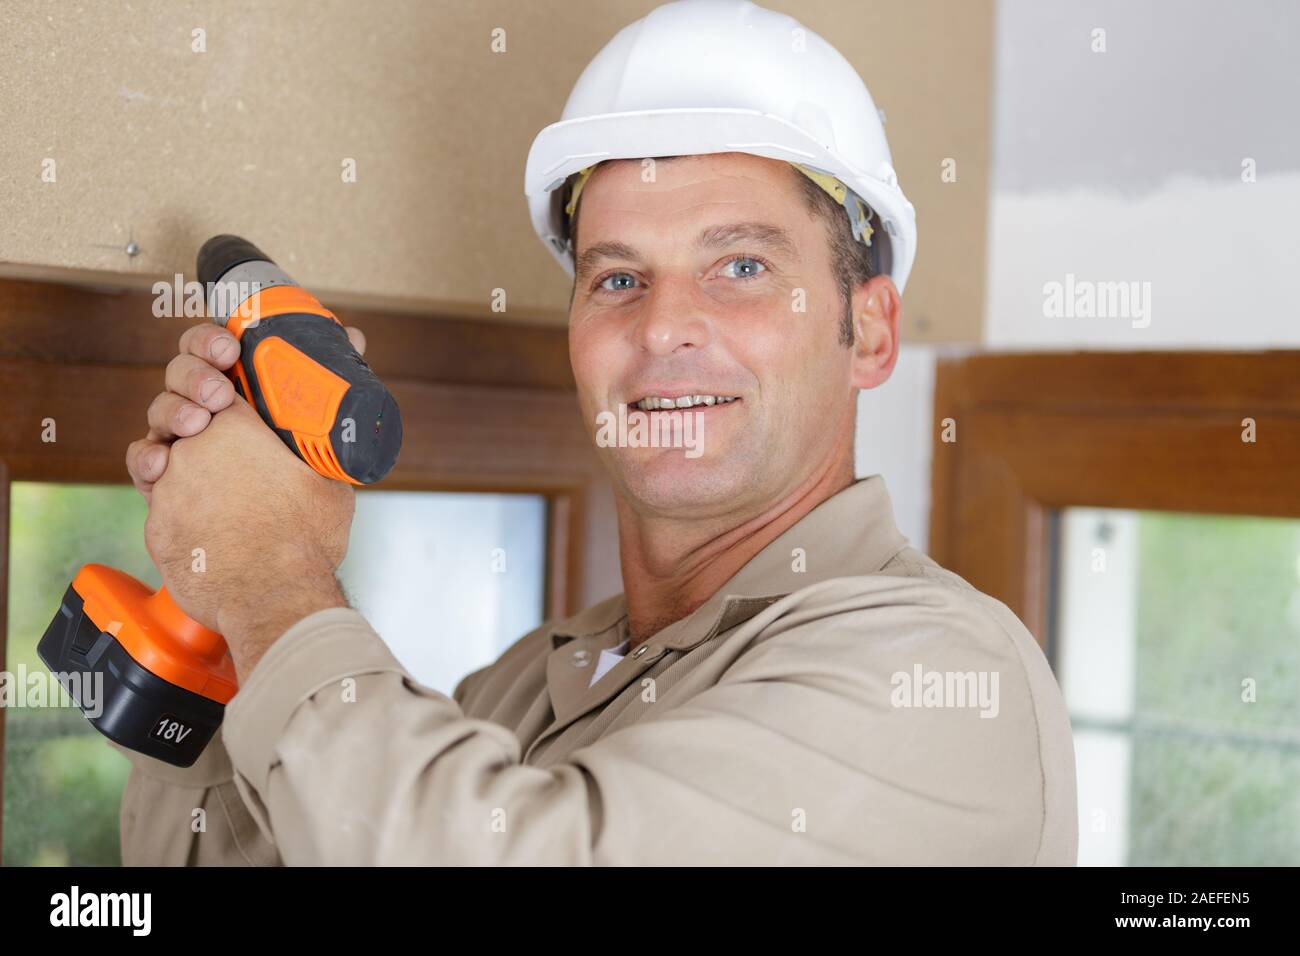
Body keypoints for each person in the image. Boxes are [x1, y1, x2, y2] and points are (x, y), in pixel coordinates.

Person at [116, 0, 1077, 865]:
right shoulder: (526, 686)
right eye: (618, 278)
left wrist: (271, 568)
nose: (661, 327)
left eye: (740, 266)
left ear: (869, 330)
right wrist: (218, 591)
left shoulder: (942, 676)